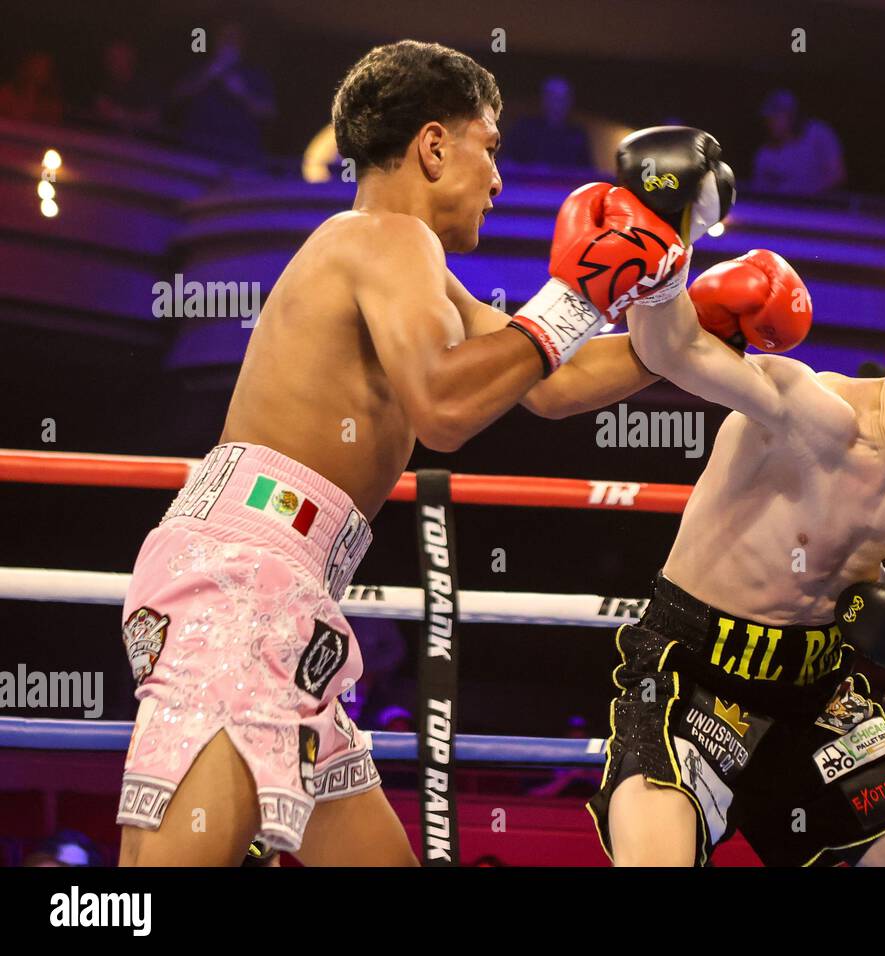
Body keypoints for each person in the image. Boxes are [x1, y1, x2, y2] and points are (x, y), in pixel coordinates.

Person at [116, 41, 731, 866]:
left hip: (279, 591)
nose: (500, 180)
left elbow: (548, 381)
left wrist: (702, 326)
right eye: (492, 147)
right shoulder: (382, 239)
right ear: (435, 145)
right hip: (242, 586)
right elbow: (445, 407)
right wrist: (580, 289)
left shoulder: (405, 264)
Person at [587, 264, 885, 866]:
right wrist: (663, 243)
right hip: (692, 675)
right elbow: (671, 347)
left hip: (819, 695)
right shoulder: (805, 413)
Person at [170, 22, 275, 163]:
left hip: (237, 156)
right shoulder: (201, 67)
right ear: (216, 40)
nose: (228, 42)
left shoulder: (254, 74)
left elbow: (269, 112)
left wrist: (242, 93)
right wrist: (207, 75)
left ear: (242, 43)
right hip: (195, 150)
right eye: (224, 37)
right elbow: (175, 97)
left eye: (233, 38)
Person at [751, 89, 845, 195]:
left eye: (776, 117)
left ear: (792, 115)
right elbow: (761, 192)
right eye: (768, 118)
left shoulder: (819, 134)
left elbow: (837, 175)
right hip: (781, 209)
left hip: (819, 207)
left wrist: (803, 192)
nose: (771, 123)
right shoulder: (764, 154)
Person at [504, 76, 593, 167]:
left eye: (562, 99)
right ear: (543, 99)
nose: (557, 104)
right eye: (553, 98)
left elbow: (585, 171)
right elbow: (508, 163)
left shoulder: (577, 136)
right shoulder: (524, 129)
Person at [91, 40, 160, 135]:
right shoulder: (106, 84)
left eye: (116, 58)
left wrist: (121, 115)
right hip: (108, 141)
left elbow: (153, 119)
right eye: (110, 58)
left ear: (130, 59)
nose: (111, 63)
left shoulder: (145, 86)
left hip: (141, 145)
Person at [0, 52, 64, 124]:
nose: (38, 70)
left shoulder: (51, 103)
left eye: (44, 66)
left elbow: (53, 128)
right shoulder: (6, 93)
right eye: (36, 64)